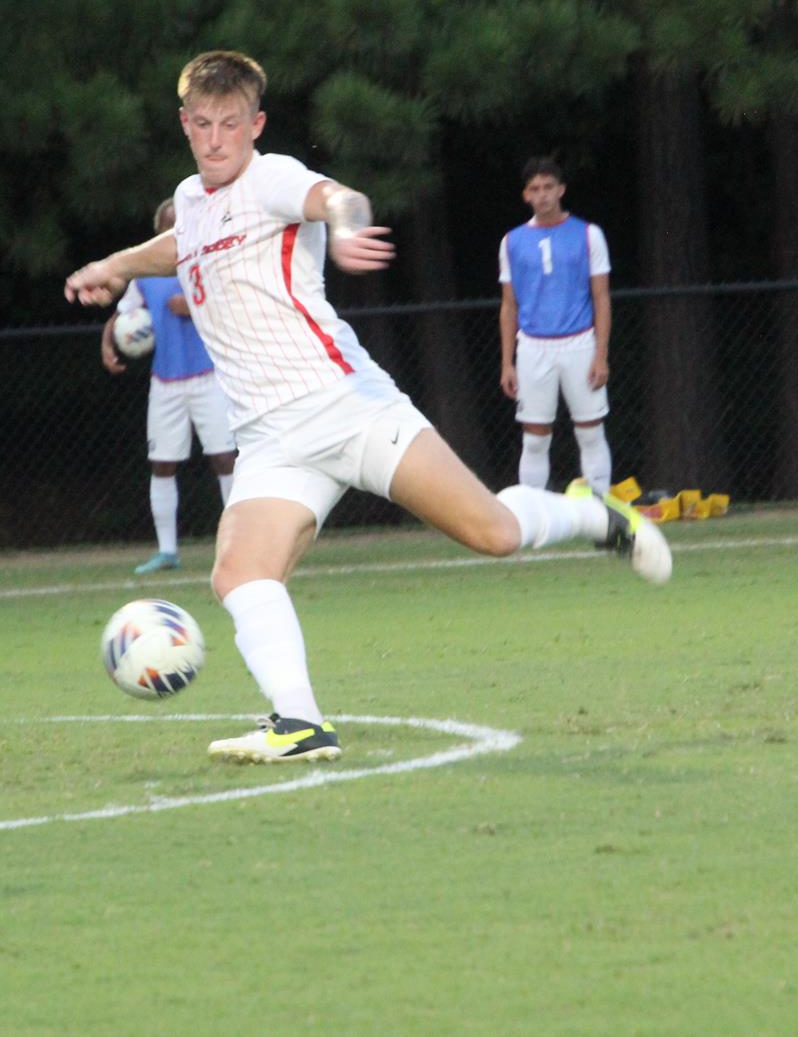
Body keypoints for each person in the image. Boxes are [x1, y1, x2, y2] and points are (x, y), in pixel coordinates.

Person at [66, 51, 669, 765]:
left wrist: (348, 226)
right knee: (237, 573)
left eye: (231, 123)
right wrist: (116, 264)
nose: (217, 138)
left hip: (345, 405)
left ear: (255, 124)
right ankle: (299, 722)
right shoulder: (193, 199)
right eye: (202, 124)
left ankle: (592, 514)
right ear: (185, 125)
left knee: (496, 534)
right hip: (269, 438)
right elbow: (181, 243)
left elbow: (337, 198)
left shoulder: (274, 176)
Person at [101, 198, 236, 574]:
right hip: (166, 383)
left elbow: (233, 306)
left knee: (224, 458)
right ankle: (167, 551)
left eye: (179, 225)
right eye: (167, 227)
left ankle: (237, 545)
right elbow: (124, 314)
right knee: (162, 464)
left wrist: (195, 308)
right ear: (158, 231)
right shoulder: (145, 275)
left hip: (209, 378)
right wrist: (107, 340)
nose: (173, 233)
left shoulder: (210, 264)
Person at [498, 157, 614, 497]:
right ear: (526, 196)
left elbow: (601, 297)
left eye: (549, 187)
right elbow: (509, 304)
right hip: (533, 346)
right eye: (535, 189)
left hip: (579, 343)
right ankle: (534, 518)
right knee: (534, 438)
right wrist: (508, 362)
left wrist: (601, 356)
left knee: (590, 433)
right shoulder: (512, 241)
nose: (543, 194)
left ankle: (602, 514)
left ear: (561, 190)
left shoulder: (589, 234)